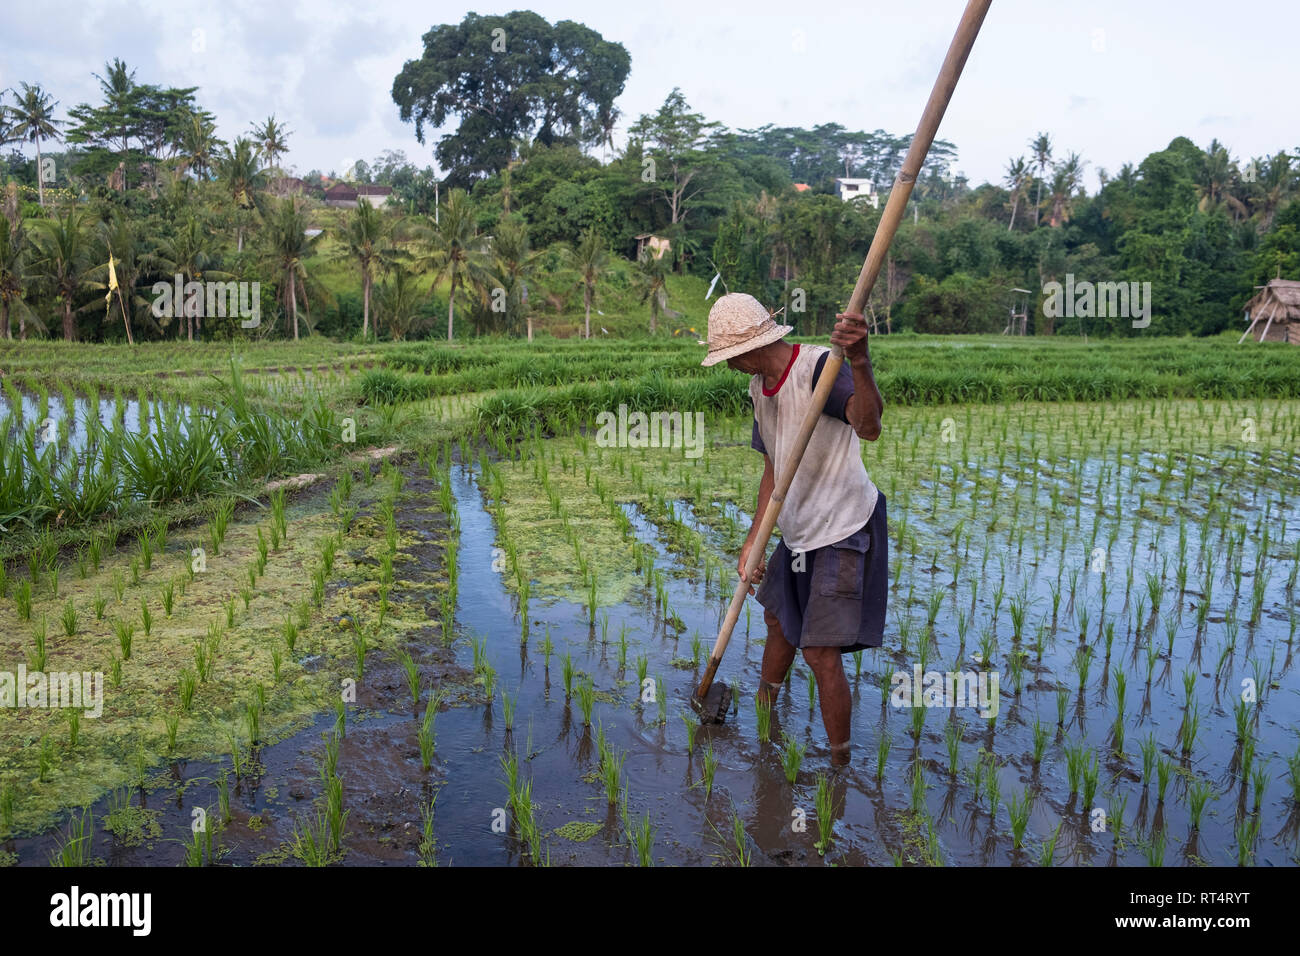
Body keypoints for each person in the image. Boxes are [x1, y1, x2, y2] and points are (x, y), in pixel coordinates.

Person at [700, 292, 887, 766]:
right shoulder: (759, 387)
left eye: (728, 358)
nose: (727, 367)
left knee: (821, 652)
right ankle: (765, 712)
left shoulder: (820, 371)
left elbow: (868, 426)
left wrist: (861, 361)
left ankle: (840, 767)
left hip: (841, 525)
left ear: (750, 348)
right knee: (779, 622)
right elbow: (772, 469)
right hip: (798, 527)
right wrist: (753, 538)